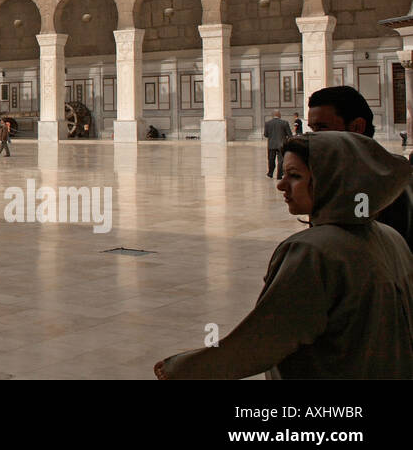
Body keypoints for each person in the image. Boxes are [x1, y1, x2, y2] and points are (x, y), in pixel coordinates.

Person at [155, 132, 413, 379]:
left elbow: (264, 339)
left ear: (332, 178)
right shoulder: (391, 238)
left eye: (295, 176)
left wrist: (181, 369)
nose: (281, 185)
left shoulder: (314, 250)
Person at [307, 85, 413, 252]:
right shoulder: (357, 175)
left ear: (356, 127)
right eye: (312, 129)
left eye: (322, 128)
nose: (313, 138)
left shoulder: (371, 185)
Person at [263, 110, 292, 179]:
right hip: (282, 144)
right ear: (279, 115)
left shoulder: (267, 123)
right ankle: (279, 174)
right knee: (281, 160)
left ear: (272, 115)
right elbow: (289, 135)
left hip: (271, 144)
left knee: (271, 159)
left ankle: (270, 173)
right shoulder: (285, 123)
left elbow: (266, 134)